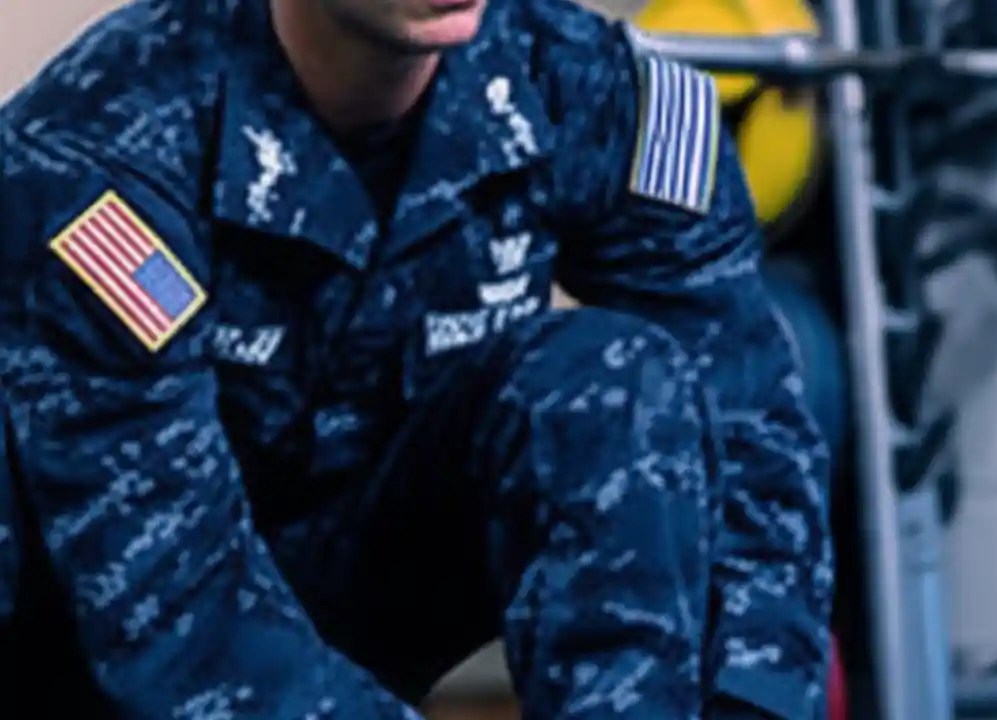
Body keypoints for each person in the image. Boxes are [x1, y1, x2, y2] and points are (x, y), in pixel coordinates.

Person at [0, 0, 832, 717]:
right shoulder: (102, 152)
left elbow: (754, 443)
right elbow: (168, 611)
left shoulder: (585, 88)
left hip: (356, 585)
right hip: (94, 645)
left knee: (612, 381)